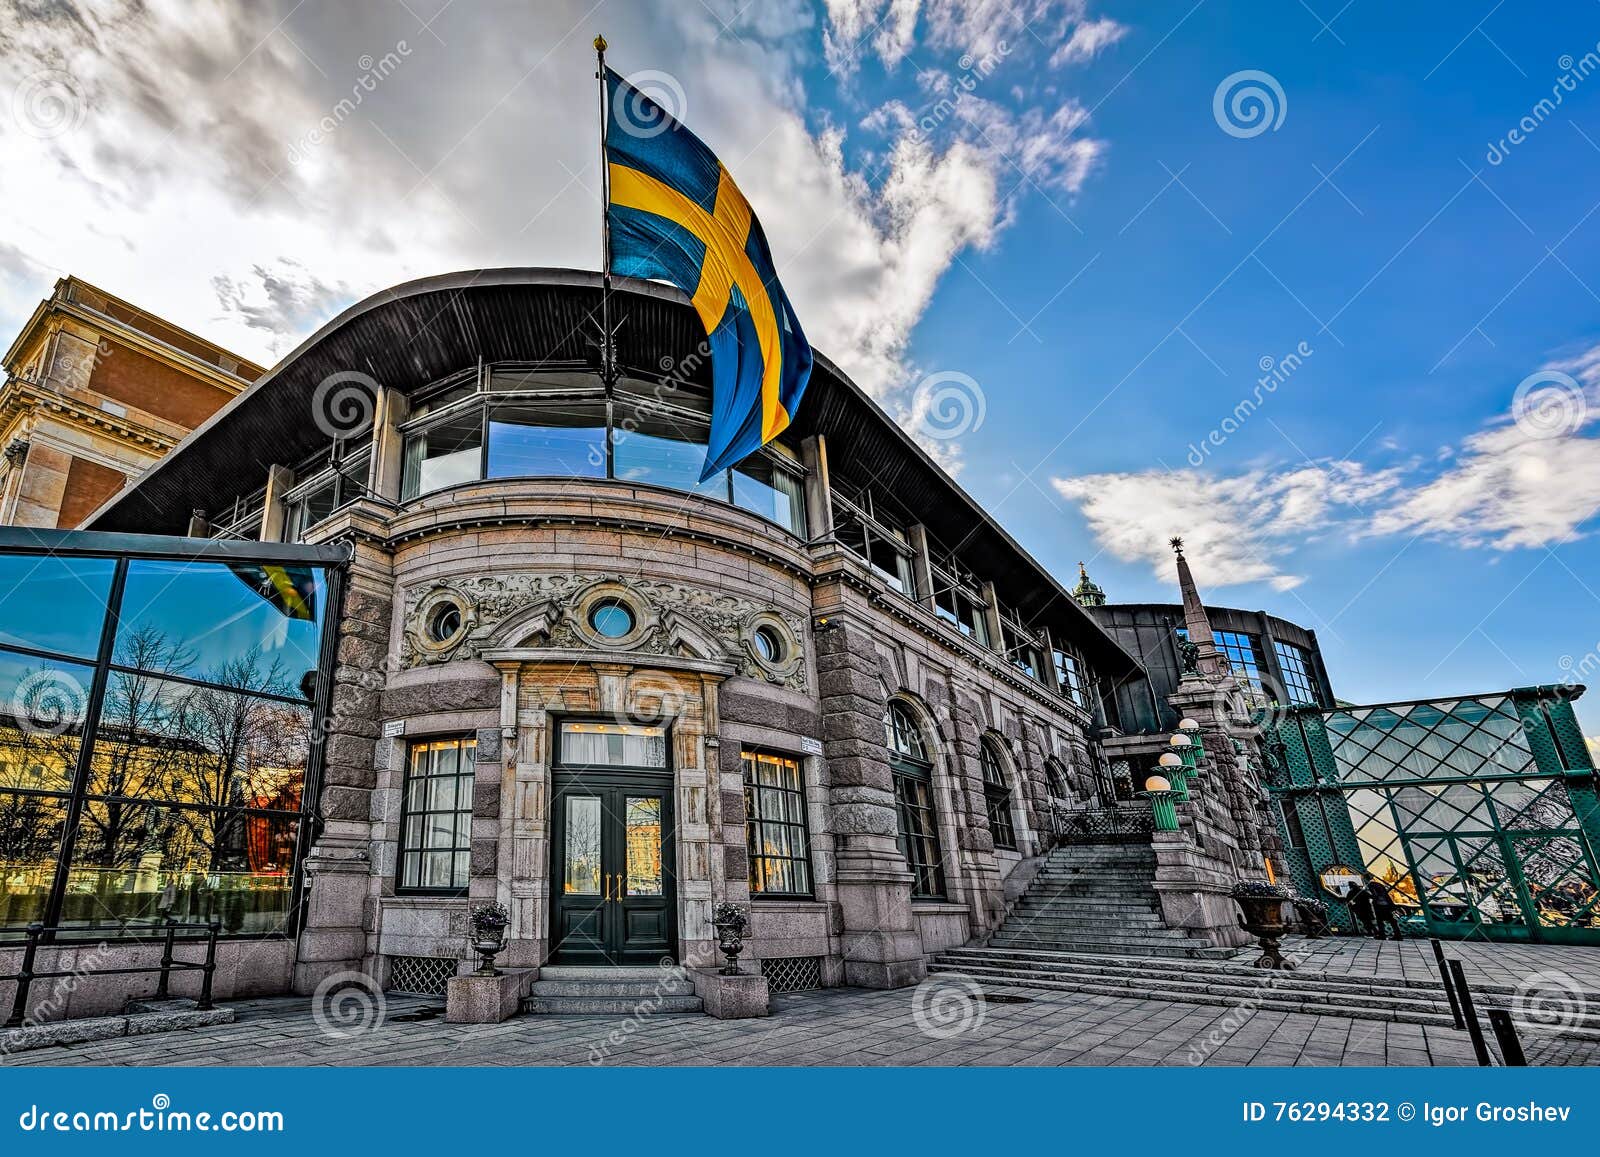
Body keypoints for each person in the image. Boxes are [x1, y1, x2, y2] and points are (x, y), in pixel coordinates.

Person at [1364, 875, 1403, 941]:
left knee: (1380, 921)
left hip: (1380, 905)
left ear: (1365, 879)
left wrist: (1368, 895)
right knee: (1392, 921)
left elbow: (1375, 895)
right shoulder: (1379, 884)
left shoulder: (1371, 885)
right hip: (1387, 904)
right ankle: (1398, 935)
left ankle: (1382, 935)